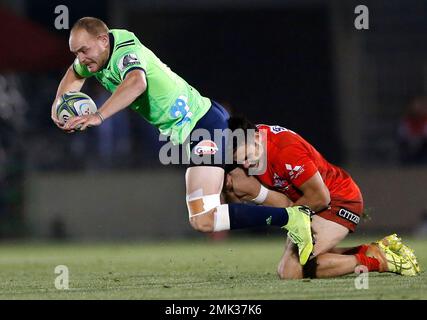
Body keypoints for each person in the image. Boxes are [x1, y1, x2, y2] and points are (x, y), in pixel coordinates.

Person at [50, 17, 314, 265]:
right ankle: (306, 216)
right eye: (76, 53)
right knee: (245, 190)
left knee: (203, 219)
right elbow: (73, 77)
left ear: (103, 40)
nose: (80, 58)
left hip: (203, 125)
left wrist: (99, 115)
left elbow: (137, 83)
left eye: (83, 50)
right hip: (202, 122)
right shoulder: (94, 57)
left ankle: (294, 218)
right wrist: (58, 109)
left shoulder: (124, 52)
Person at [223, 116, 421, 279]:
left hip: (338, 201)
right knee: (299, 261)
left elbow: (319, 197)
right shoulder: (246, 141)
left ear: (256, 138)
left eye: (247, 158)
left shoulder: (285, 151)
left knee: (290, 271)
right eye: (241, 161)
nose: (247, 165)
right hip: (309, 203)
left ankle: (381, 262)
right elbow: (247, 203)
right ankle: (371, 250)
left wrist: (278, 214)